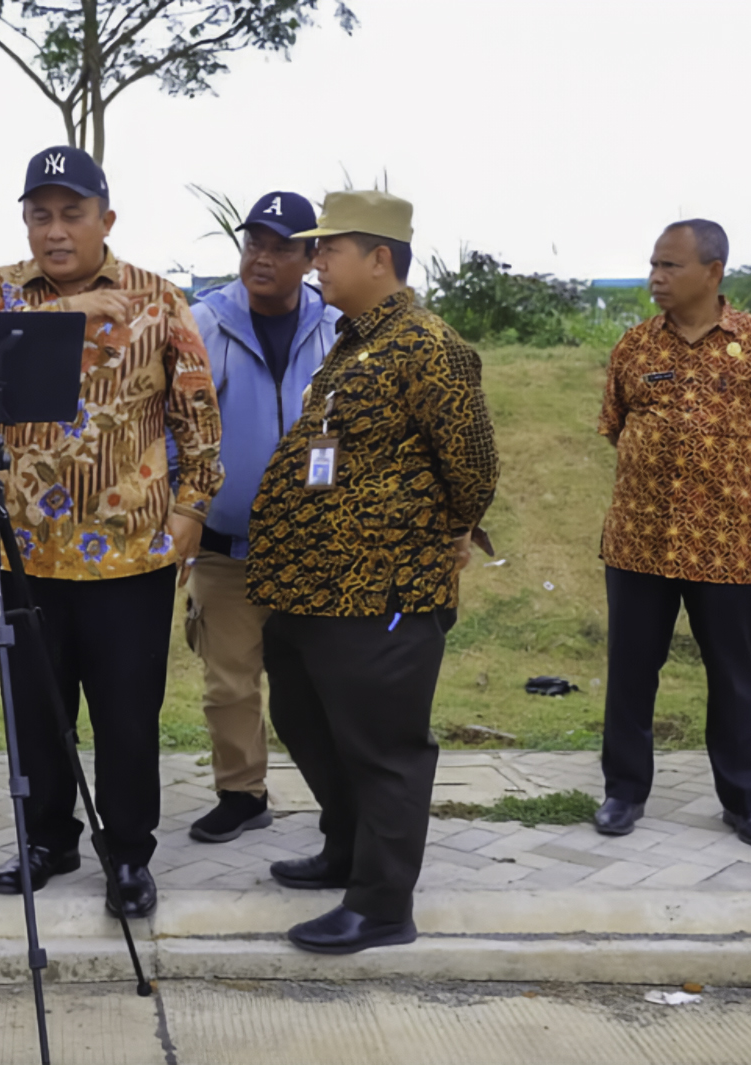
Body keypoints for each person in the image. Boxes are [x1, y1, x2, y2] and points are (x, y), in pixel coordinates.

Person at [0, 146, 223, 918]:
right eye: (40, 215)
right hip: (25, 549)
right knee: (37, 709)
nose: (55, 230)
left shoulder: (158, 298)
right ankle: (48, 839)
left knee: (125, 714)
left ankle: (129, 852)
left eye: (72, 214)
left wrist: (191, 508)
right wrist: (63, 316)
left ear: (105, 219)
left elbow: (196, 410)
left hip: (131, 553)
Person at [246, 191, 499, 955]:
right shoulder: (354, 342)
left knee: (384, 749)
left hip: (381, 592)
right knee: (307, 721)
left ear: (379, 257)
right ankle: (345, 849)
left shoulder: (429, 346)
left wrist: (446, 531)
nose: (315, 260)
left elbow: (473, 466)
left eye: (329, 248)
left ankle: (382, 904)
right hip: (312, 590)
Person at [593, 219, 751, 848]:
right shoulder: (635, 347)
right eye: (653, 265)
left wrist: (731, 474)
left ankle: (745, 802)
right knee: (631, 672)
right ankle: (623, 793)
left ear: (713, 272)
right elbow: (615, 426)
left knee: (734, 675)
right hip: (640, 539)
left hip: (727, 542)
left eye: (670, 266)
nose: (655, 278)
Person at [184, 191, 340, 843]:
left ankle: (343, 800)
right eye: (254, 244)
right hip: (226, 546)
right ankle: (242, 793)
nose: (263, 258)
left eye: (281, 248)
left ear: (311, 257)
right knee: (229, 683)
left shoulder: (338, 327)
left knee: (325, 683)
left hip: (317, 549)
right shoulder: (202, 323)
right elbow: (175, 426)